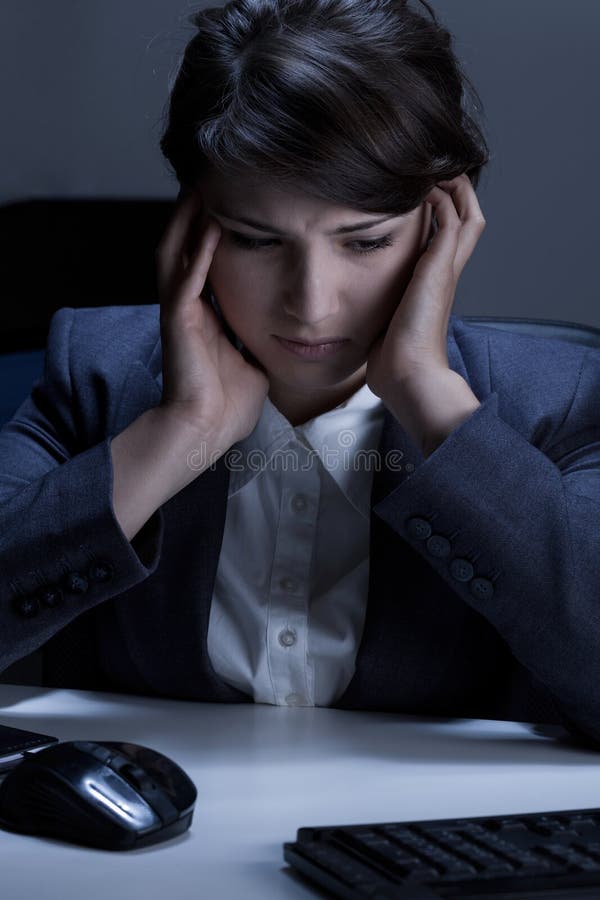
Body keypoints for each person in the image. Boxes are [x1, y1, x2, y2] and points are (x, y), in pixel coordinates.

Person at [1, 0, 599, 749]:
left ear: (441, 221)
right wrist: (175, 436)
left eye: (364, 242)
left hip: (427, 845)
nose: (311, 304)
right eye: (257, 240)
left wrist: (435, 405)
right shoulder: (95, 372)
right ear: (193, 222)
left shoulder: (563, 398)